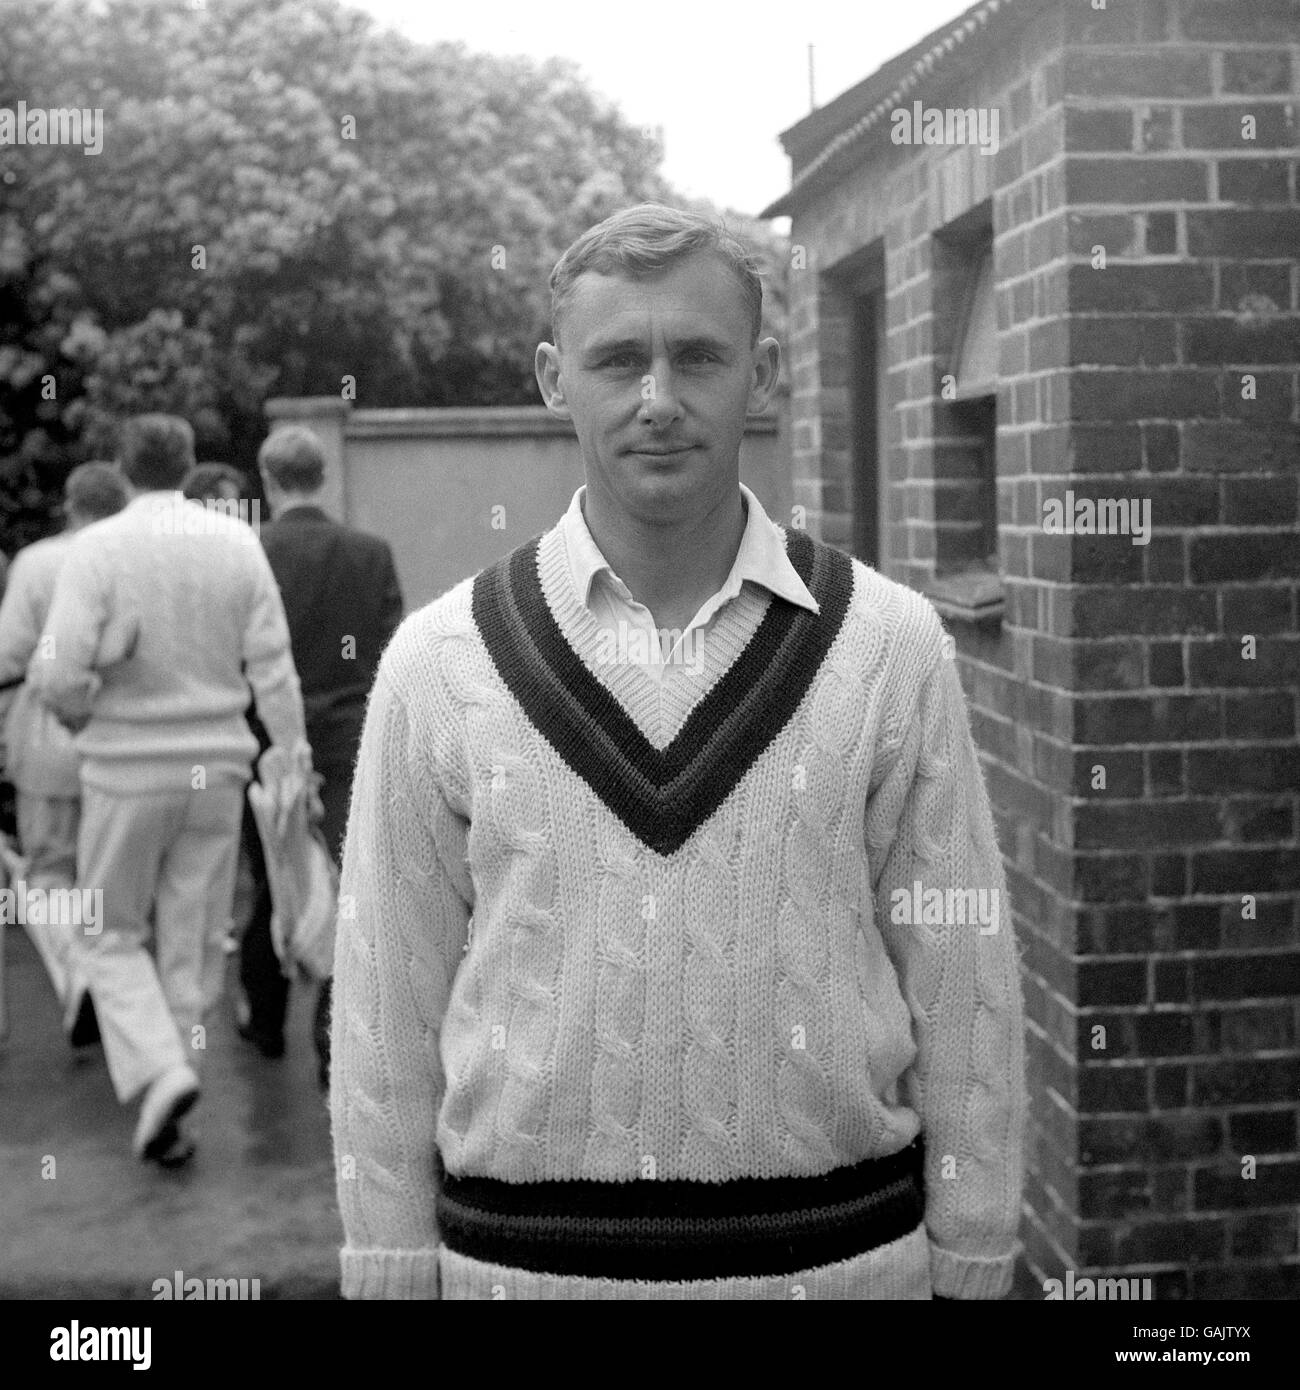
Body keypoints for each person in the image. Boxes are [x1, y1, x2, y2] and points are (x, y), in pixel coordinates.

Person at [329, 204, 1026, 1300]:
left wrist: (974, 1259)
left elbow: (961, 980)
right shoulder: (439, 663)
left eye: (697, 356)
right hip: (522, 1278)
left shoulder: (888, 647)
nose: (658, 399)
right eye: (619, 360)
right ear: (556, 379)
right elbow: (384, 1008)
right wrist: (386, 1272)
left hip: (844, 1270)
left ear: (765, 373)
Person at [31, 415, 309, 1167]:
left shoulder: (96, 549)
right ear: (189, 467)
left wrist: (85, 695)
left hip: (125, 768)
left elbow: (56, 673)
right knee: (192, 941)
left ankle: (159, 1073)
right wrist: (292, 757)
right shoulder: (237, 542)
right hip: (218, 768)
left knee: (106, 932)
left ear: (121, 470)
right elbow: (274, 669)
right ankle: (176, 1102)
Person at [241, 426, 402, 1087]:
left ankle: (266, 1020)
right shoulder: (369, 553)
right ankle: (332, 1033)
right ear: (324, 476)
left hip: (268, 745)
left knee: (272, 877)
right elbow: (390, 647)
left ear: (267, 478)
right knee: (346, 884)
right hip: (350, 737)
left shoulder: (251, 551)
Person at [0, 462, 129, 1042]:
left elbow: (8, 655)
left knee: (50, 871)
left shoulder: (37, 563)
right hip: (120, 742)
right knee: (109, 877)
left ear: (70, 504)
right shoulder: (133, 558)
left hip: (47, 741)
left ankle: (79, 977)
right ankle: (115, 991)